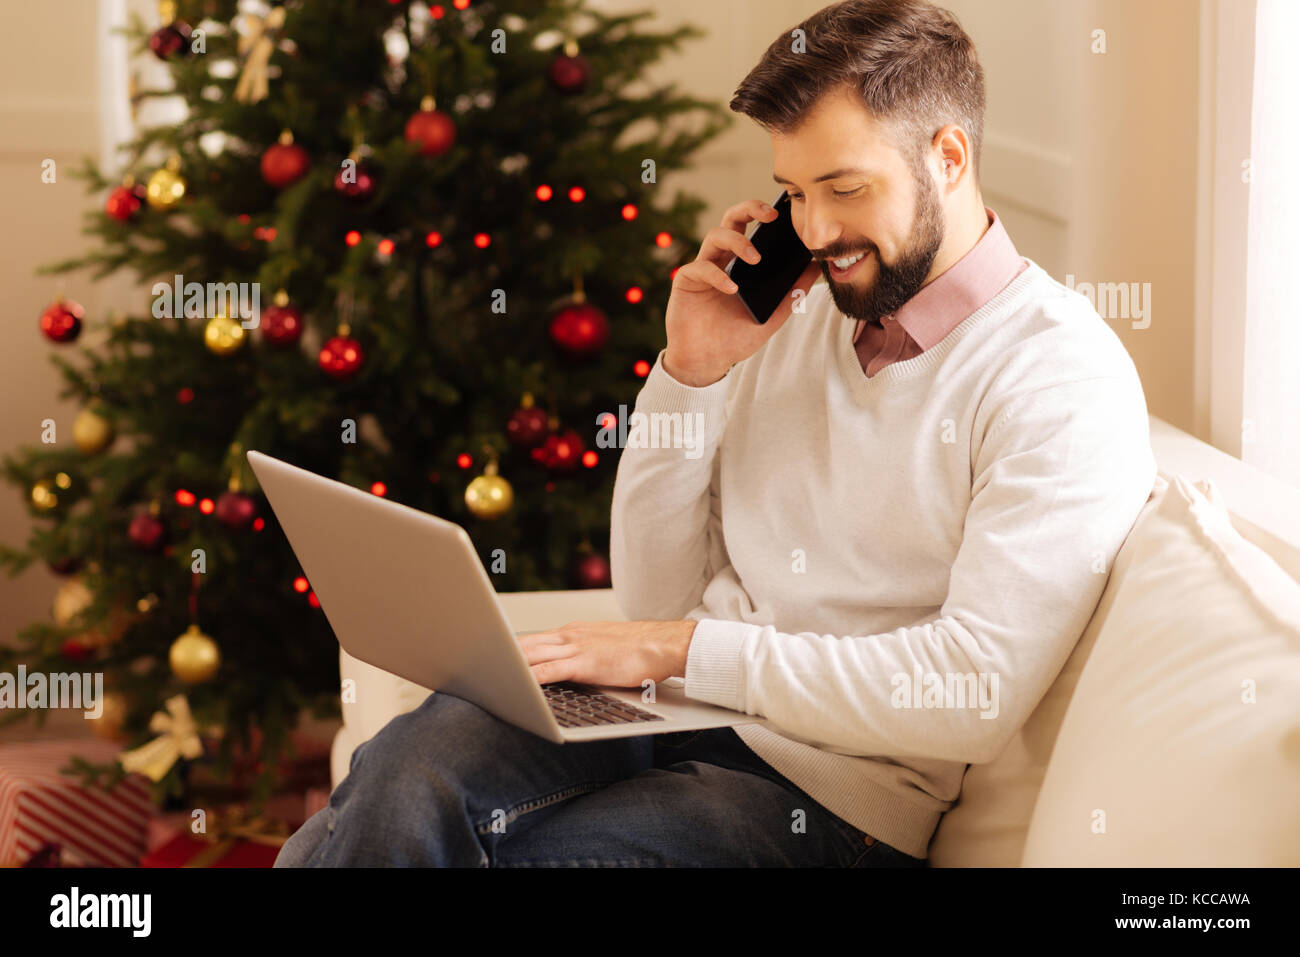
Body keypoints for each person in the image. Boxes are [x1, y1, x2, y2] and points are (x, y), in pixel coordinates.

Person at [275, 0, 1155, 867]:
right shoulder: (791, 317)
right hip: (669, 706)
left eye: (845, 189)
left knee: (411, 851)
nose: (813, 232)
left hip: (828, 793)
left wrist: (687, 649)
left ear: (949, 156)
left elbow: (972, 690)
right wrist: (690, 373)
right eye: (794, 192)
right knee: (400, 774)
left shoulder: (1060, 376)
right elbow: (654, 591)